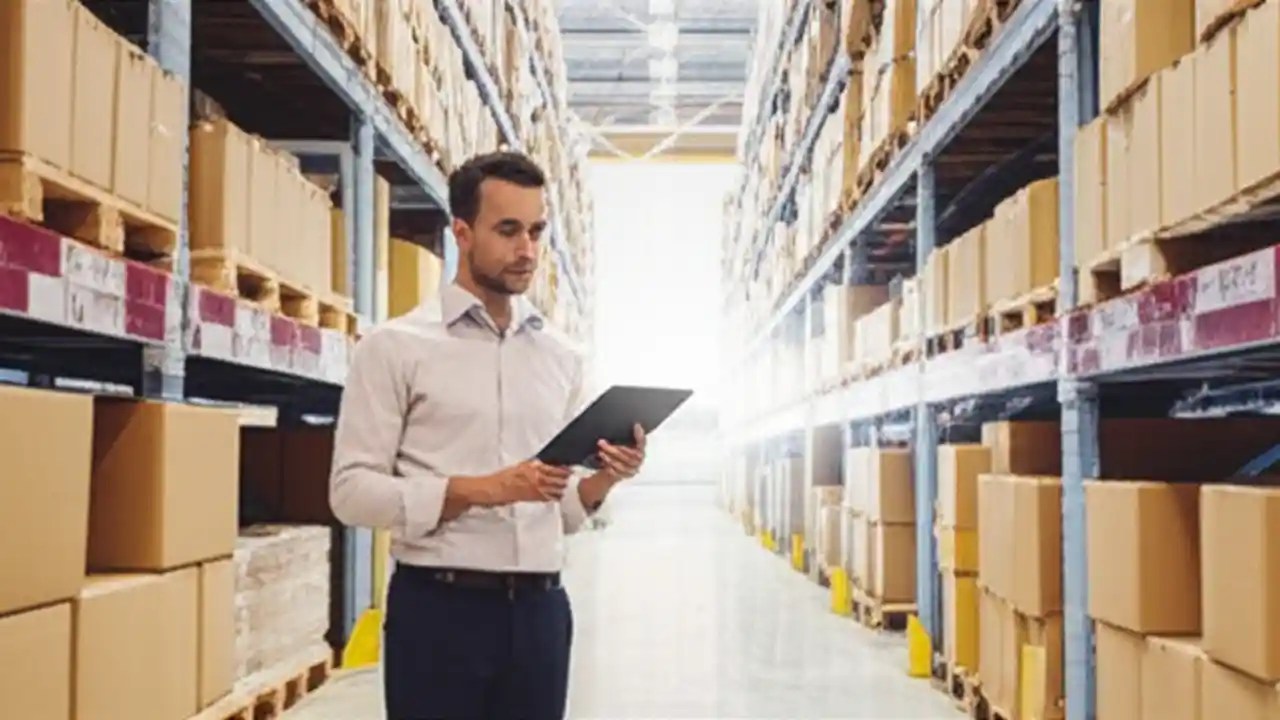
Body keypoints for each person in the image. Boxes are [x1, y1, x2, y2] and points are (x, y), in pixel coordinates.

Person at [329, 151, 646, 719]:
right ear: (461, 232)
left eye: (536, 231)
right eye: (508, 230)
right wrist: (488, 489)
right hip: (438, 612)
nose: (527, 250)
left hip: (540, 615)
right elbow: (351, 493)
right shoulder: (395, 348)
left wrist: (604, 478)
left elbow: (563, 515)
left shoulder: (561, 357)